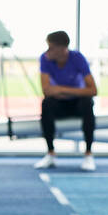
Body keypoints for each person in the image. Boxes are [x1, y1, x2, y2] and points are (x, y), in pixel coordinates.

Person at [34, 30, 97, 172]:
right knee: (46, 103)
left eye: (51, 47)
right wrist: (60, 92)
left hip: (77, 103)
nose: (48, 51)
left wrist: (62, 89)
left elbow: (93, 90)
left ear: (63, 49)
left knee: (87, 102)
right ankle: (50, 153)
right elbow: (46, 90)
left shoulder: (77, 58)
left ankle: (88, 154)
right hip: (59, 103)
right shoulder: (45, 59)